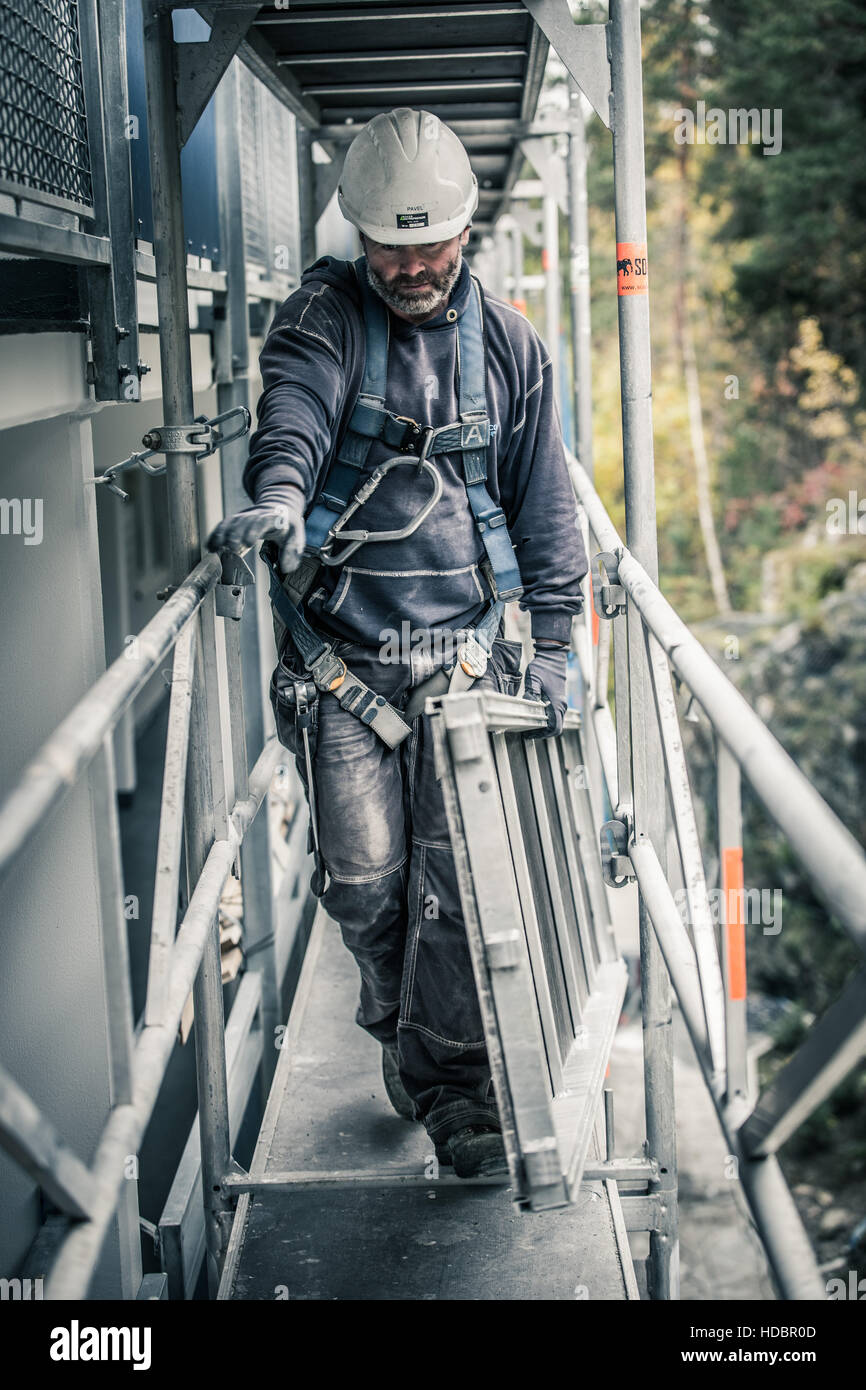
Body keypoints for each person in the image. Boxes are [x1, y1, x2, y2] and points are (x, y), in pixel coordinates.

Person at [208, 109, 587, 1178]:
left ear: (464, 230)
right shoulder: (321, 320)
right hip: (346, 667)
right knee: (367, 886)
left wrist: (551, 650)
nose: (412, 265)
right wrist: (279, 499)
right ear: (358, 232)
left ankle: (453, 1094)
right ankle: (399, 1023)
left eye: (431, 245)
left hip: (463, 660)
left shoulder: (510, 348)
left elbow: (543, 502)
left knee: (459, 882)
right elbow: (293, 411)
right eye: (391, 244)